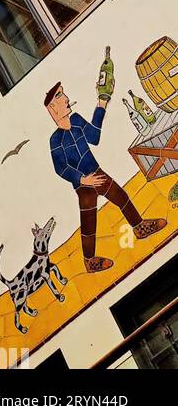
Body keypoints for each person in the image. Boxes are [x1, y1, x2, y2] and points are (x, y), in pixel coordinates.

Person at [45, 81, 165, 272]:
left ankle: (140, 227)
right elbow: (60, 168)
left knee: (121, 196)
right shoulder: (55, 140)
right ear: (52, 108)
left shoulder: (76, 120)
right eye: (60, 96)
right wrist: (82, 180)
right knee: (89, 221)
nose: (66, 99)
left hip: (97, 173)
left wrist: (101, 104)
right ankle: (89, 261)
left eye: (63, 94)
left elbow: (94, 137)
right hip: (84, 185)